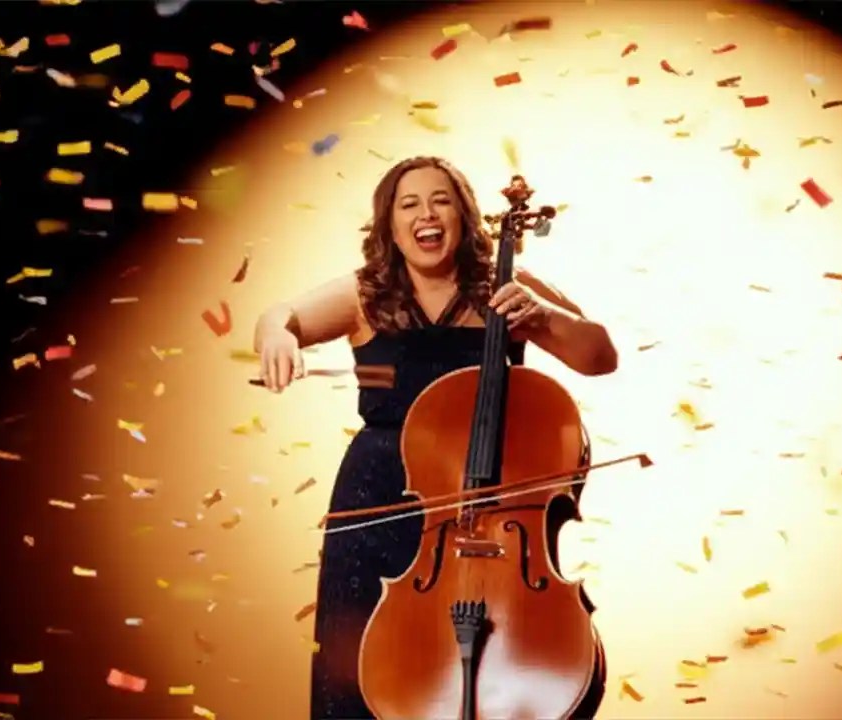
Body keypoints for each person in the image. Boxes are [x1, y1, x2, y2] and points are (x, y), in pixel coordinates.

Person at [252, 156, 619, 719]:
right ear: (391, 226)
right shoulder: (366, 294)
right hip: (378, 498)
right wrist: (276, 334)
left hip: (491, 508)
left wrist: (543, 315)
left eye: (440, 200)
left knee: (490, 674)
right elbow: (282, 314)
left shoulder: (508, 290)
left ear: (465, 215)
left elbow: (599, 356)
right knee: (358, 673)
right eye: (409, 204)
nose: (426, 214)